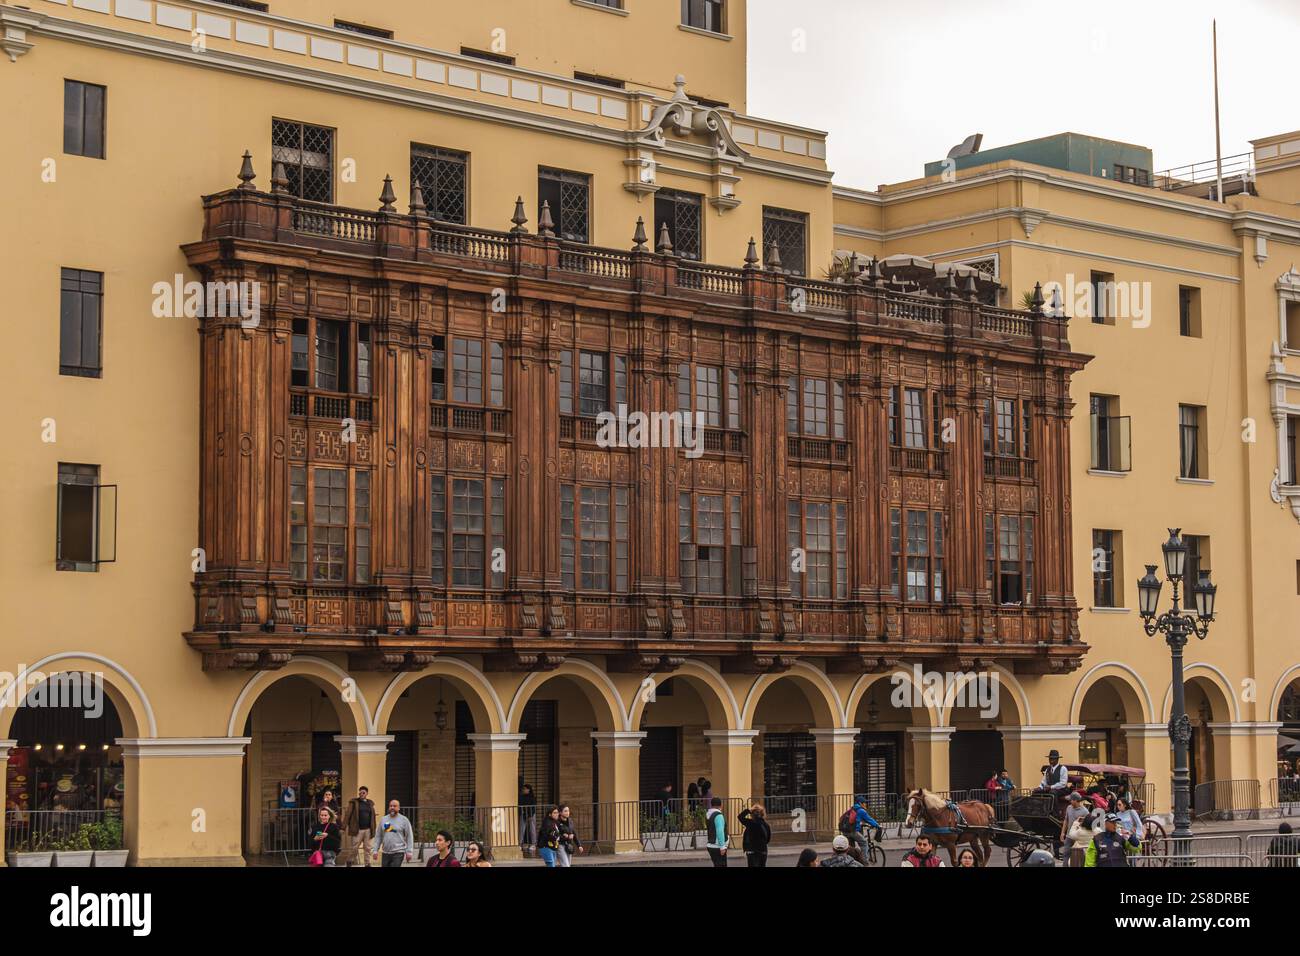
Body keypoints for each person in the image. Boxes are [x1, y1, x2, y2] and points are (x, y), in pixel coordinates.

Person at [372, 799, 415, 867]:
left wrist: (409, 851)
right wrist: (375, 850)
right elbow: (378, 836)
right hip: (386, 852)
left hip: (398, 852)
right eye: (390, 806)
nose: (392, 807)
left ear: (399, 808)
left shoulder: (404, 820)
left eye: (394, 806)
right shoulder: (383, 819)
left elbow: (409, 836)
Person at [840, 794, 884, 859]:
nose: (865, 804)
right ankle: (864, 862)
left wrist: (860, 824)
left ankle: (851, 861)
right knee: (864, 843)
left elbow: (856, 819)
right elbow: (869, 819)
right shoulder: (861, 810)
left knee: (851, 849)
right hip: (853, 831)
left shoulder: (853, 808)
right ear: (860, 803)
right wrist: (877, 825)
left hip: (846, 831)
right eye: (864, 803)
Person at [341, 785, 376, 868]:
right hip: (358, 829)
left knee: (367, 848)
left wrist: (373, 829)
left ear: (367, 793)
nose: (361, 794)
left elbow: (373, 817)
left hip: (368, 830)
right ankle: (349, 861)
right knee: (354, 848)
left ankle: (367, 864)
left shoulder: (370, 803)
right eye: (360, 792)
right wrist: (343, 827)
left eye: (363, 793)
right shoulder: (354, 802)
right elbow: (347, 815)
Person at [1060, 792, 1095, 864]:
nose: (1070, 801)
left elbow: (1087, 825)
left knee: (1078, 857)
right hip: (1068, 836)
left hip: (1078, 838)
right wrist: (1062, 833)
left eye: (1071, 800)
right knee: (1066, 854)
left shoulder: (1085, 812)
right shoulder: (1069, 808)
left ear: (1075, 800)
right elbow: (1066, 820)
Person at [737, 803, 772, 868]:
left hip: (752, 850)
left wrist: (748, 811)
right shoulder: (766, 825)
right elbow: (768, 839)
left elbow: (740, 817)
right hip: (763, 850)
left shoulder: (750, 823)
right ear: (762, 814)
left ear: (752, 814)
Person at [704, 796, 728, 867]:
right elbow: (720, 831)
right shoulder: (718, 816)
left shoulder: (708, 814)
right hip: (717, 845)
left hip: (711, 844)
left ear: (711, 805)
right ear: (721, 805)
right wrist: (722, 847)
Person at [518, 783, 537, 856]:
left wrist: (530, 815)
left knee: (532, 829)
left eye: (525, 789)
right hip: (523, 814)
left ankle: (533, 844)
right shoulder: (521, 797)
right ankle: (520, 844)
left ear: (528, 790)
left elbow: (533, 807)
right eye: (523, 789)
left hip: (531, 815)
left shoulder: (532, 797)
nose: (524, 790)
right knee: (522, 829)